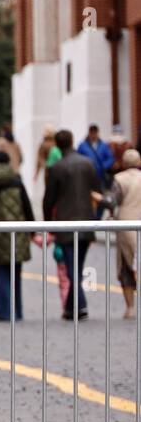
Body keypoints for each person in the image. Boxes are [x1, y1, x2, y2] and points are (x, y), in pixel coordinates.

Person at [44, 130, 103, 320]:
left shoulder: (57, 168)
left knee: (71, 267)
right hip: (86, 221)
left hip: (66, 223)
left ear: (58, 145)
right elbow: (97, 191)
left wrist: (49, 225)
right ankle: (71, 308)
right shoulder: (87, 163)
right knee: (76, 265)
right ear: (72, 141)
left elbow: (49, 200)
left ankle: (80, 305)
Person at [0, 150, 35, 322]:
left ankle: (4, 311)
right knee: (15, 273)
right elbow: (27, 207)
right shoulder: (16, 181)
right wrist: (32, 230)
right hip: (16, 232)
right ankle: (17, 310)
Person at [105, 149, 141, 318]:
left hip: (126, 223)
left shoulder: (120, 179)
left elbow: (112, 201)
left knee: (126, 266)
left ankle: (130, 308)